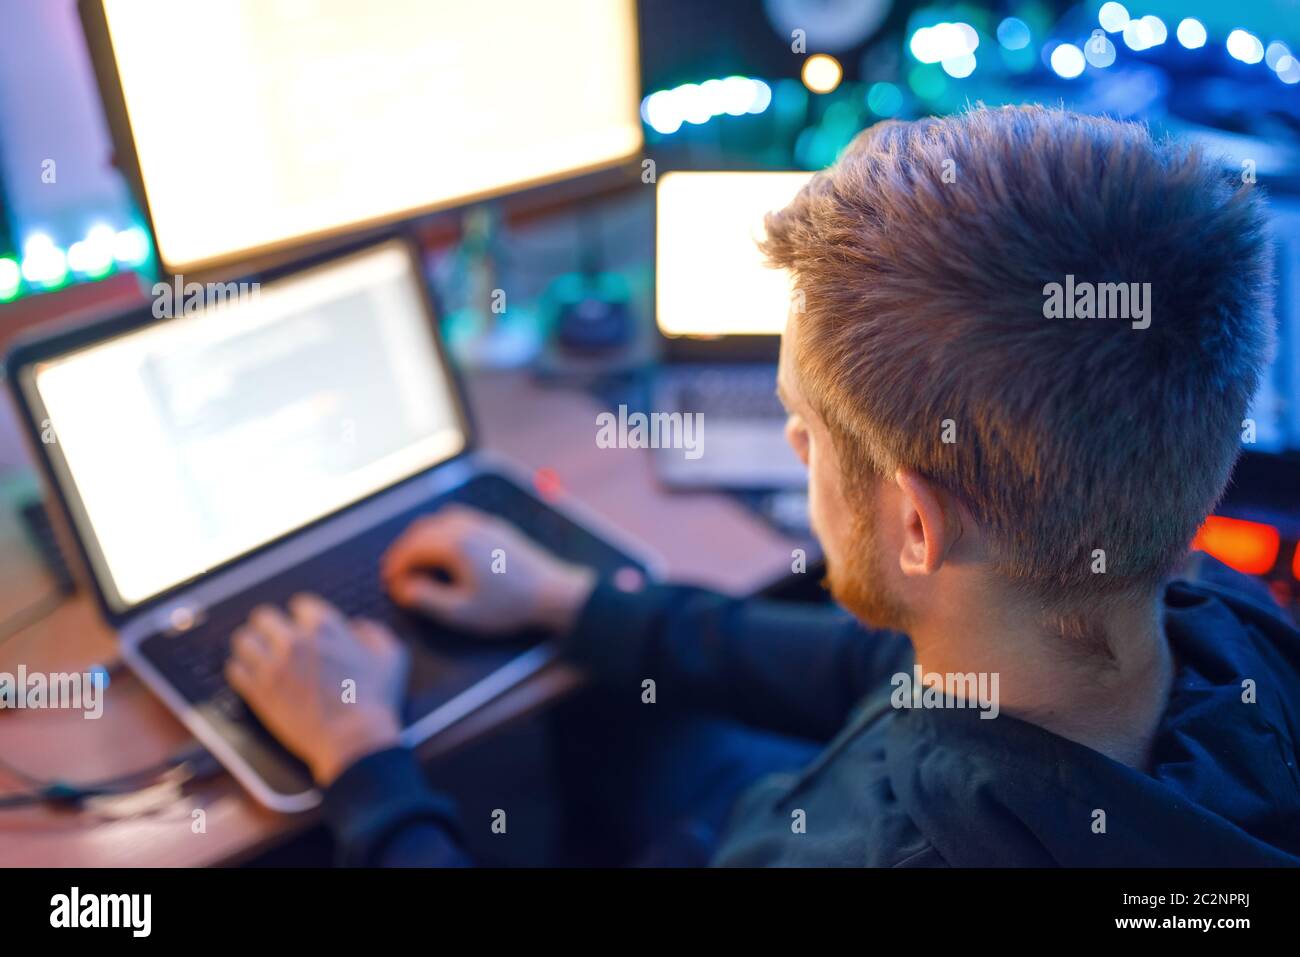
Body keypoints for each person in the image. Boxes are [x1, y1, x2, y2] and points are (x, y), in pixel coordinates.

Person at [224, 106, 1300, 867]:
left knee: (591, 741)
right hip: (828, 783)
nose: (793, 441)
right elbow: (901, 661)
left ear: (916, 527)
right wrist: (572, 604)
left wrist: (364, 763)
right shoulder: (1224, 624)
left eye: (805, 425)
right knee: (619, 713)